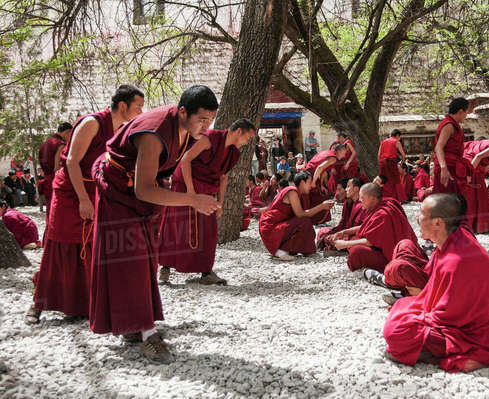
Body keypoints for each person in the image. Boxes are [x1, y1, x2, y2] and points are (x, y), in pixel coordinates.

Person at [89, 85, 220, 364]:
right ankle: (148, 333)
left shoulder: (186, 130)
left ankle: (133, 326)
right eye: (202, 120)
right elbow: (143, 191)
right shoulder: (155, 132)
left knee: (144, 260)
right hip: (118, 191)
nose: (206, 127)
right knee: (131, 260)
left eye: (210, 121)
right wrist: (192, 200)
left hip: (135, 193)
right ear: (183, 111)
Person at [26, 85, 145, 326]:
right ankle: (38, 303)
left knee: (91, 245)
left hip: (95, 190)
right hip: (71, 190)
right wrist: (82, 199)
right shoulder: (92, 123)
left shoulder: (122, 129)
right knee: (60, 243)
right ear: (123, 106)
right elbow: (71, 162)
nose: (141, 112)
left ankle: (84, 303)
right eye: (138, 107)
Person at [383, 194, 489, 372]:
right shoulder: (451, 241)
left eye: (421, 213)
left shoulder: (457, 260)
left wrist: (415, 318)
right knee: (401, 309)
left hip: (480, 336)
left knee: (395, 332)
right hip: (461, 318)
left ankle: (432, 352)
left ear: (438, 223)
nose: (417, 218)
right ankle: (420, 346)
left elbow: (448, 318)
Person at [158, 119, 256, 285]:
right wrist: (190, 194)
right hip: (184, 187)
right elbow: (186, 160)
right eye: (248, 136)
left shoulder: (234, 153)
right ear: (239, 131)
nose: (248, 140)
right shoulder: (209, 138)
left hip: (207, 191)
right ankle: (165, 268)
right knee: (177, 227)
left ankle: (206, 272)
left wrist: (220, 204)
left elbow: (223, 177)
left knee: (208, 231)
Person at [333, 183, 418, 273]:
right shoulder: (379, 205)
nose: (360, 200)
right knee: (352, 238)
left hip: (393, 256)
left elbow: (370, 241)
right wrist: (344, 232)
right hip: (385, 248)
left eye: (362, 198)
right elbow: (367, 225)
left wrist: (344, 244)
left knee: (356, 251)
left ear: (373, 198)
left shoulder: (382, 213)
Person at [259, 172, 334, 261]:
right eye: (309, 183)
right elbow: (300, 214)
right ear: (302, 182)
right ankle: (280, 251)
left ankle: (286, 250)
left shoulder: (299, 193)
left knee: (308, 229)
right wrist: (322, 206)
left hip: (277, 225)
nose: (311, 186)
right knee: (303, 222)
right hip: (270, 228)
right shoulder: (292, 192)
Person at [363, 238, 429, 299]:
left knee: (400, 267)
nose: (421, 235)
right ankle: (400, 281)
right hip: (428, 270)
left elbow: (370, 241)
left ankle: (388, 282)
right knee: (405, 243)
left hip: (431, 285)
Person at [317, 178, 367, 255]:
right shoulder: (350, 203)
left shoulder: (362, 205)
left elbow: (362, 228)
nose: (346, 190)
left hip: (354, 235)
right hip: (346, 232)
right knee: (323, 232)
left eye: (348, 187)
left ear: (356, 189)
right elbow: (343, 223)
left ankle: (340, 247)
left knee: (331, 238)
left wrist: (341, 234)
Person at [433, 98, 471, 195]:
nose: (466, 116)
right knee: (447, 201)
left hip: (453, 165)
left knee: (453, 201)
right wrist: (444, 168)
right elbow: (439, 147)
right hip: (447, 167)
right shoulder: (449, 125)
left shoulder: (453, 125)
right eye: (466, 112)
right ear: (460, 111)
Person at [301, 144, 347, 224]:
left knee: (322, 193)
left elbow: (323, 171)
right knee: (318, 197)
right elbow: (319, 168)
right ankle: (314, 219)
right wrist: (313, 182)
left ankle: (312, 218)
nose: (344, 155)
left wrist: (321, 185)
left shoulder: (327, 152)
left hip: (308, 174)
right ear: (339, 151)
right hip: (309, 175)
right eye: (344, 152)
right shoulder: (333, 158)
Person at [38, 122, 72, 219]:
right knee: (57, 212)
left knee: (50, 210)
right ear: (67, 132)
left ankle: (48, 233)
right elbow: (57, 168)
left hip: (47, 180)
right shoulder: (60, 145)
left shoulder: (46, 143)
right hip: (55, 180)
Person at [378, 129, 407, 199]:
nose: (399, 139)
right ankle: (399, 197)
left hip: (383, 163)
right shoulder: (396, 142)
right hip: (391, 163)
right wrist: (401, 163)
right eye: (400, 137)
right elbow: (403, 155)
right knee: (396, 180)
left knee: (385, 180)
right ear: (397, 135)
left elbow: (379, 155)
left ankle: (385, 196)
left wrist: (381, 163)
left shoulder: (383, 142)